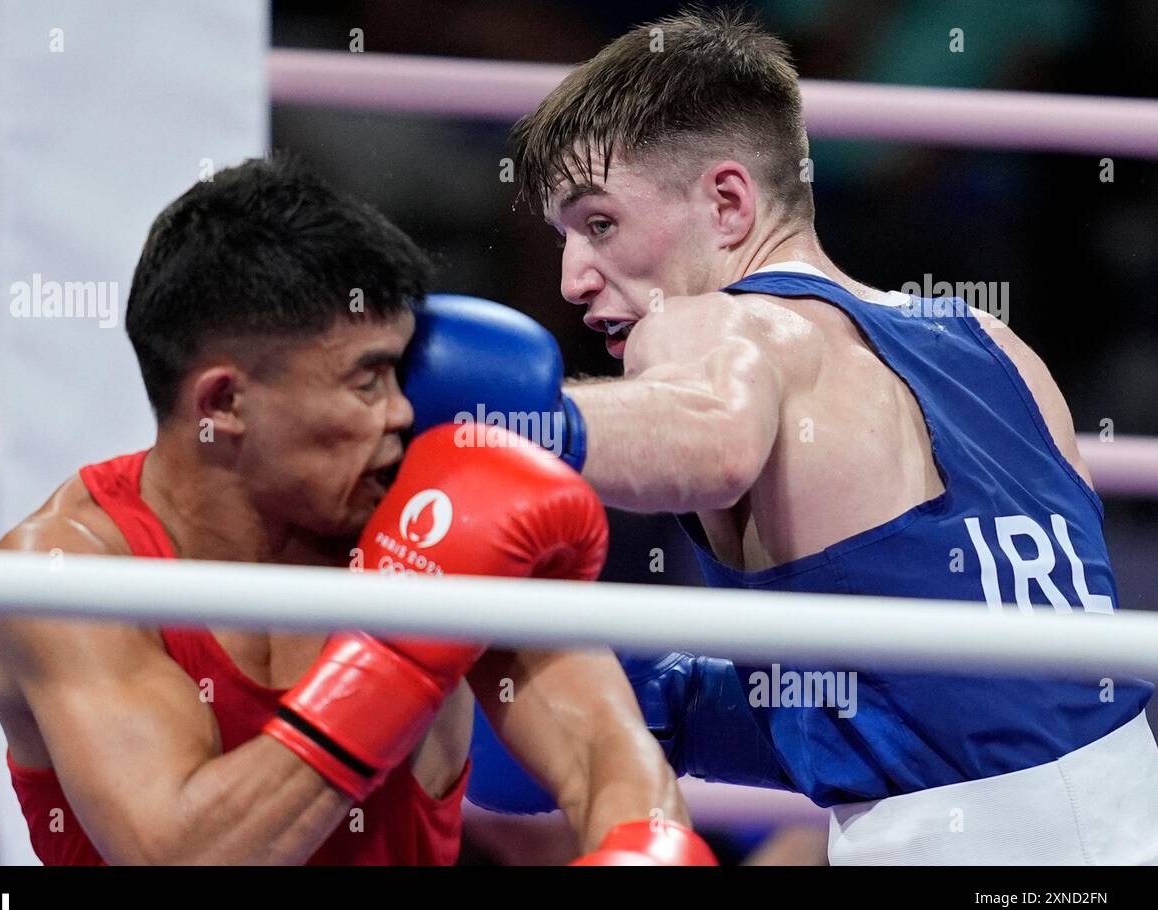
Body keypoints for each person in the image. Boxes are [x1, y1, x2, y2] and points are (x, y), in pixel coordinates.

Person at [403, 8, 1158, 864]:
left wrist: (462, 429)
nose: (575, 277)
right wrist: (679, 711)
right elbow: (988, 686)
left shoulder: (719, 325)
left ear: (728, 201)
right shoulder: (993, 343)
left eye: (600, 223)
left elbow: (710, 437)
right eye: (564, 238)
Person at [0, 155, 715, 866]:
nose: (402, 413)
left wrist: (645, 847)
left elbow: (605, 758)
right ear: (224, 403)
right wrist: (398, 644)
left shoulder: (435, 510)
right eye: (366, 382)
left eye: (398, 371)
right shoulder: (67, 573)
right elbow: (183, 852)